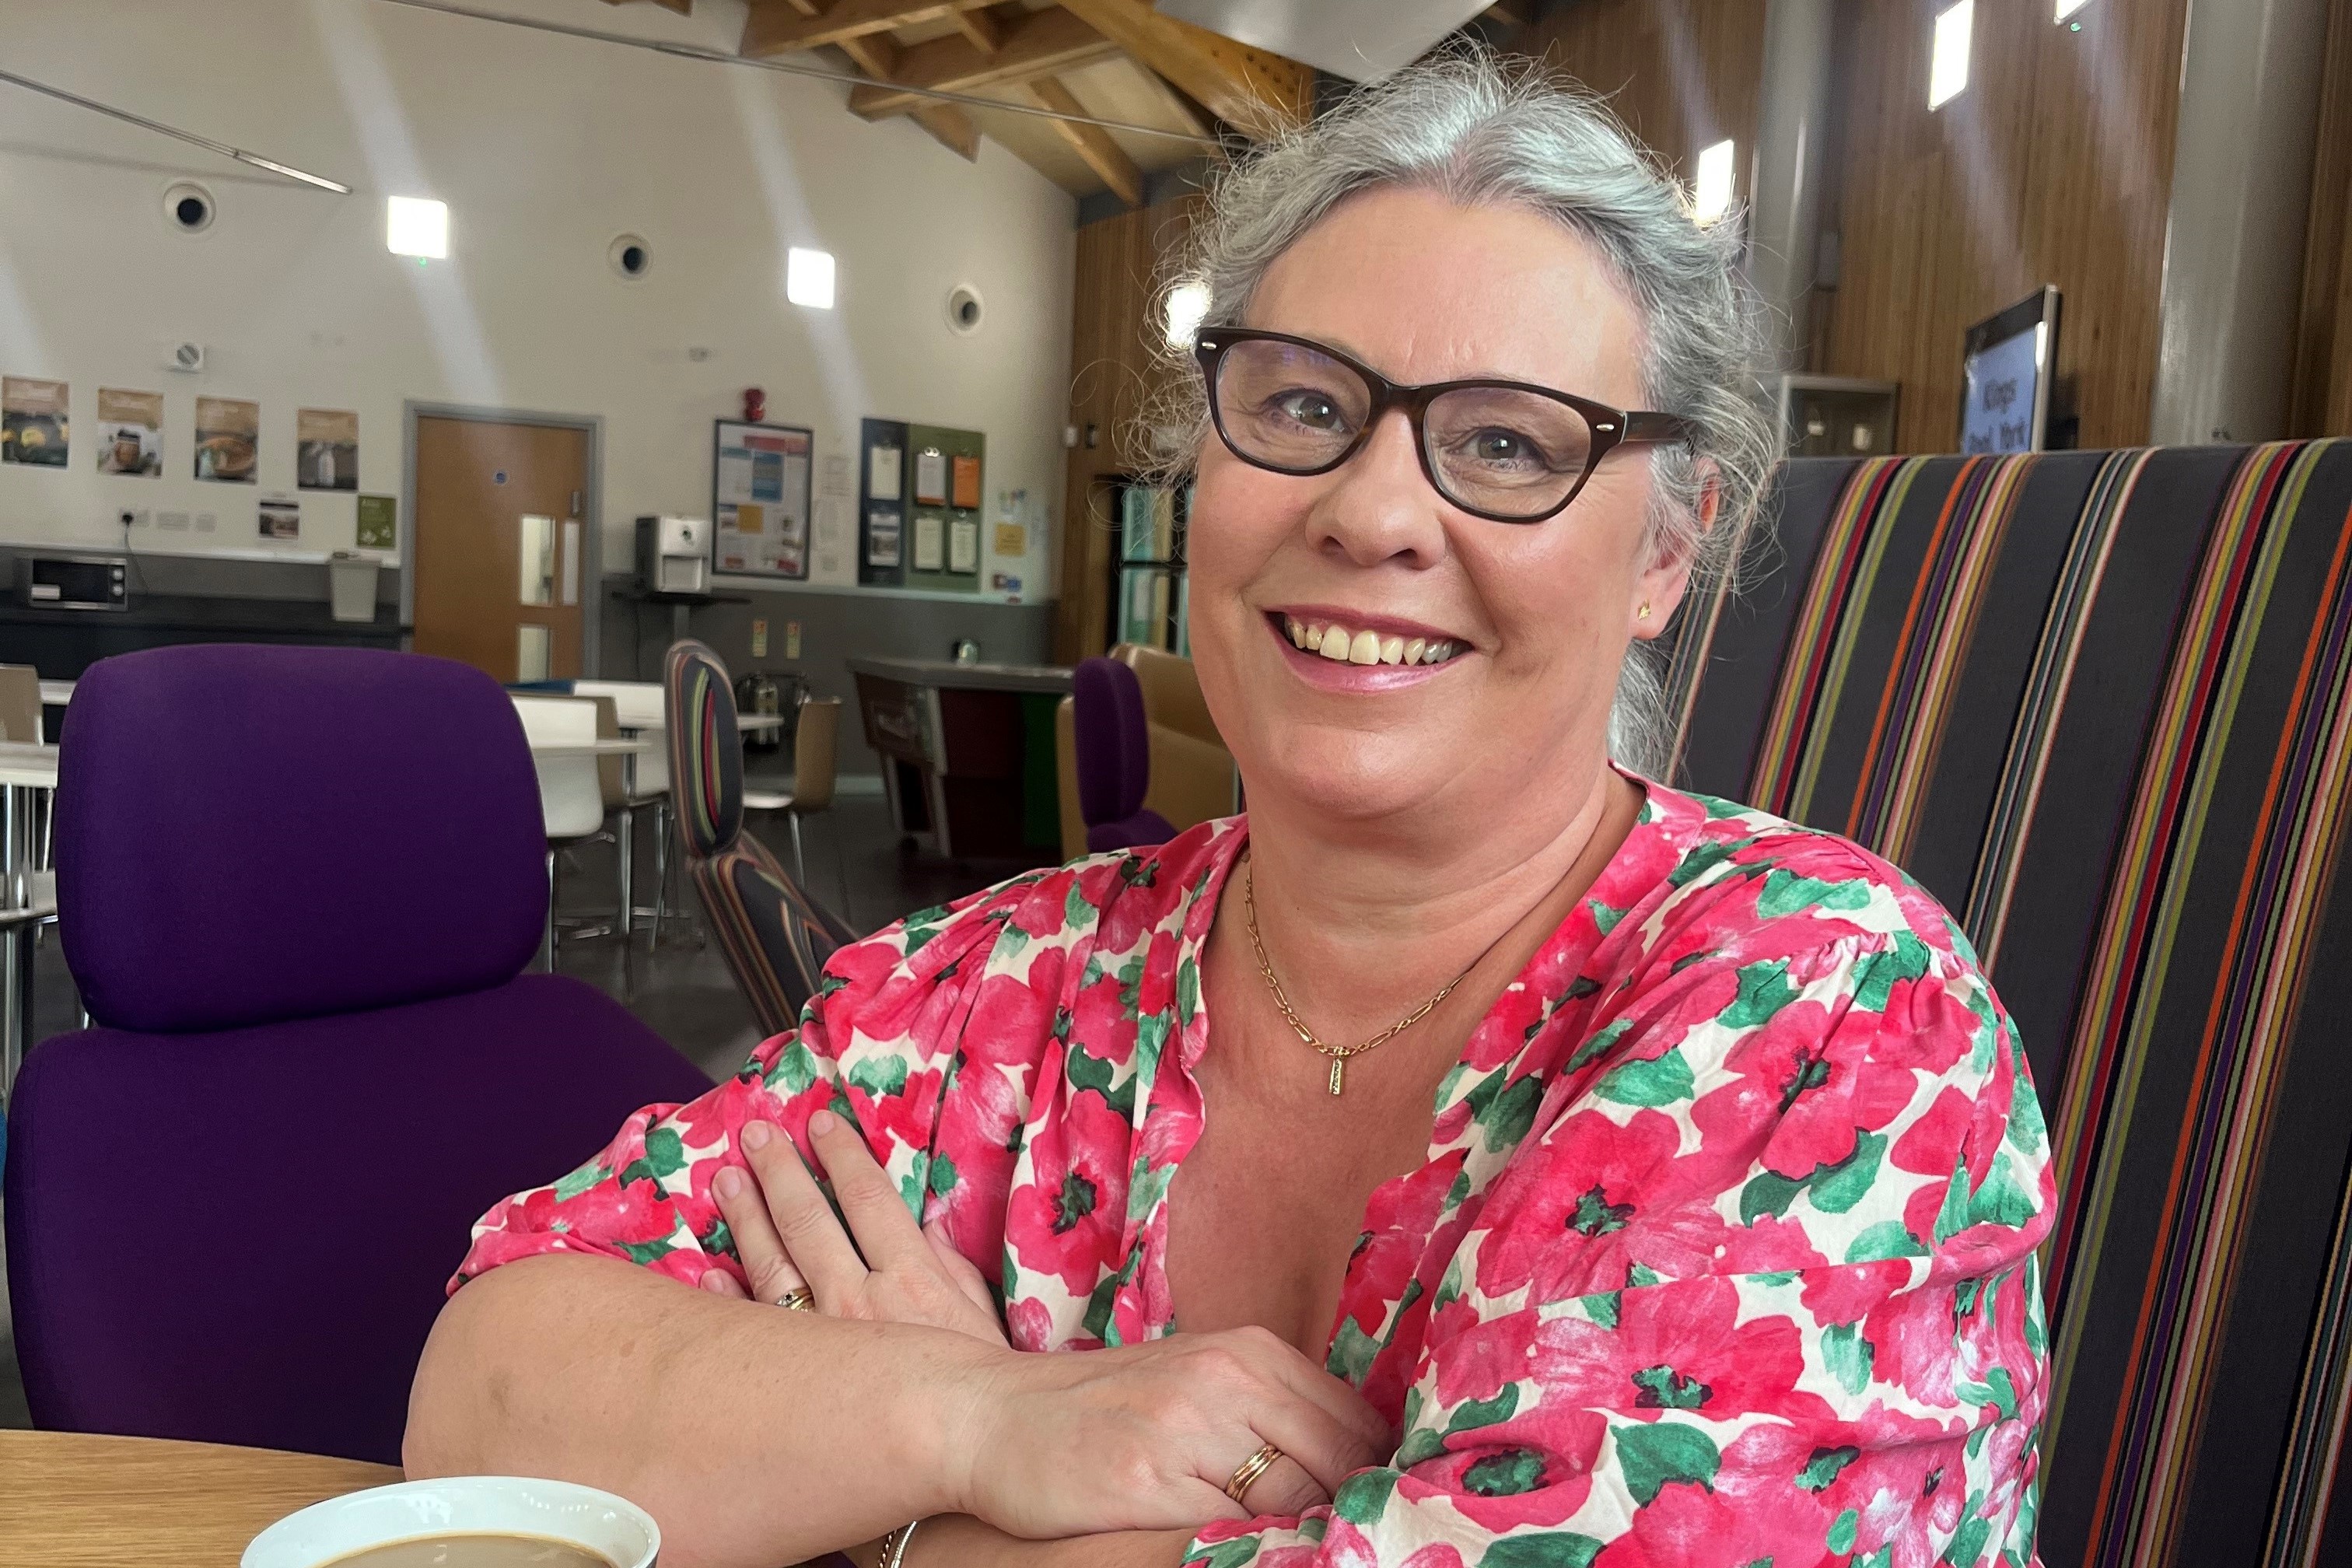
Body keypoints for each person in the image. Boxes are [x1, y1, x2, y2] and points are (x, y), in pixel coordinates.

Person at [406, 53, 2050, 1568]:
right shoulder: (1013, 983)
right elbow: (492, 1395)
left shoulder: (1826, 1018)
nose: (1376, 509)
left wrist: (908, 1529)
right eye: (1305, 406)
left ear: (1670, 554)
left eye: (1505, 440)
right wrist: (974, 1419)